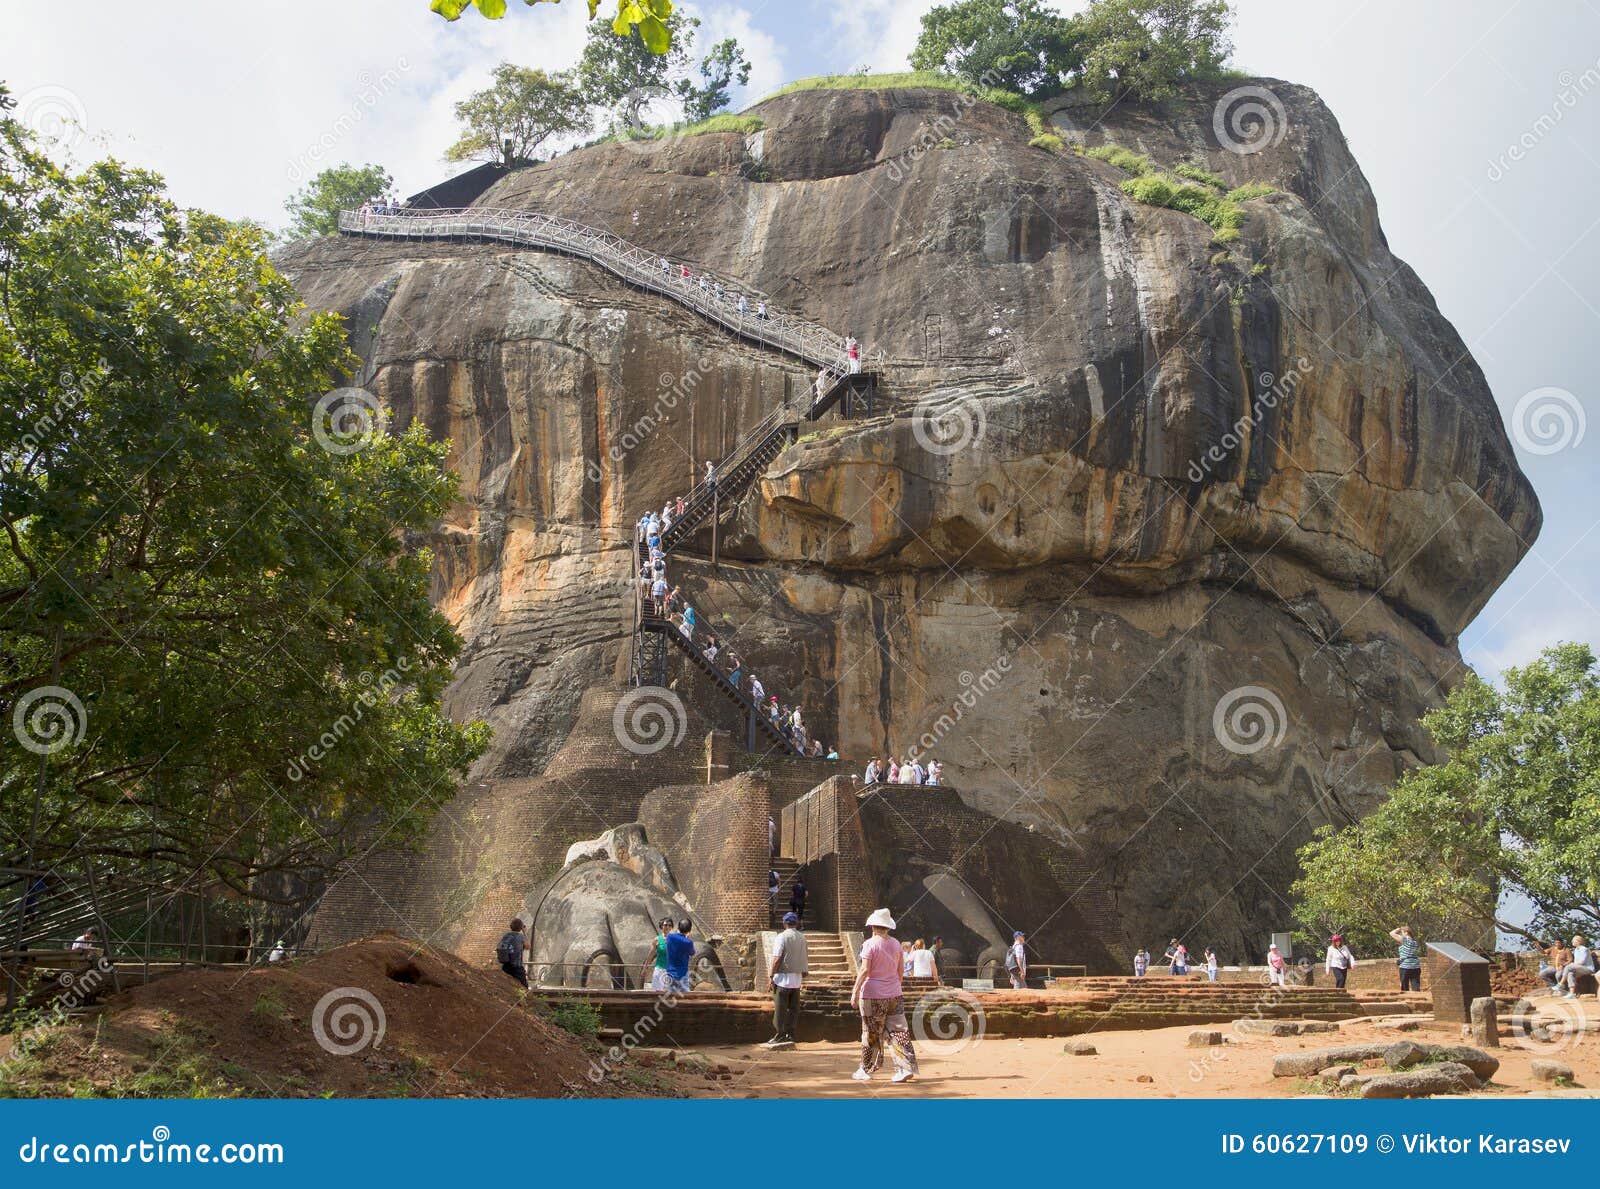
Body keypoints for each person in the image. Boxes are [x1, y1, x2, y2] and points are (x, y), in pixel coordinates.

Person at [850, 908, 918, 1083]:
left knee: (871, 1032)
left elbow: (865, 970)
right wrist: (894, 986)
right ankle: (905, 1068)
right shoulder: (896, 944)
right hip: (894, 993)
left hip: (872, 994)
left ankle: (865, 1068)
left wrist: (855, 991)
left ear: (873, 926)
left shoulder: (869, 944)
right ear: (888, 927)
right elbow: (901, 971)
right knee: (899, 1031)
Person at [767, 912, 809, 1046]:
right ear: (796, 923)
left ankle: (780, 1034)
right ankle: (790, 1034)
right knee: (793, 1009)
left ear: (784, 923)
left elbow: (777, 958)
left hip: (783, 979)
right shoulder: (802, 937)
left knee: (780, 1008)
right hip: (797, 979)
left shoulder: (782, 937)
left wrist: (771, 975)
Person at [1556, 935, 1595, 999]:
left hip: (1588, 969)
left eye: (1573, 941)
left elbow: (1582, 962)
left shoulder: (1584, 949)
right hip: (1579, 968)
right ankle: (1572, 994)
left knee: (1569, 966)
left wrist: (1572, 964)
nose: (1572, 942)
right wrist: (1573, 964)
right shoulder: (1576, 950)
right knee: (1570, 973)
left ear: (1578, 941)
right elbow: (1576, 962)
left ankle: (1560, 984)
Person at [641, 916, 675, 991]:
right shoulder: (657, 940)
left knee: (669, 994)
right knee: (657, 993)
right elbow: (650, 955)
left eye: (670, 925)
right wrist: (645, 968)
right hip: (659, 969)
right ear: (661, 926)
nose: (667, 927)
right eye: (665, 925)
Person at [495, 919, 529, 989]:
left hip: (506, 965)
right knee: (524, 987)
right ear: (521, 927)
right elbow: (528, 947)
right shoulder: (521, 937)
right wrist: (525, 932)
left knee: (506, 986)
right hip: (517, 966)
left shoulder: (506, 935)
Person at [1388, 924, 1422, 992]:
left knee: (1404, 987)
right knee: (1416, 987)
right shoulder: (1415, 942)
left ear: (1406, 932)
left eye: (1402, 933)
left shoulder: (1405, 940)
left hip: (1405, 966)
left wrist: (1398, 929)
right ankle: (1417, 1000)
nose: (1401, 934)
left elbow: (1391, 933)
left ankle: (1406, 1001)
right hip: (1416, 966)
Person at [664, 920, 695, 993]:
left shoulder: (670, 936)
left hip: (670, 973)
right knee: (685, 997)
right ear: (689, 930)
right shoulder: (688, 942)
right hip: (682, 974)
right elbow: (692, 953)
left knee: (670, 996)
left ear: (678, 927)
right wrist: (686, 938)